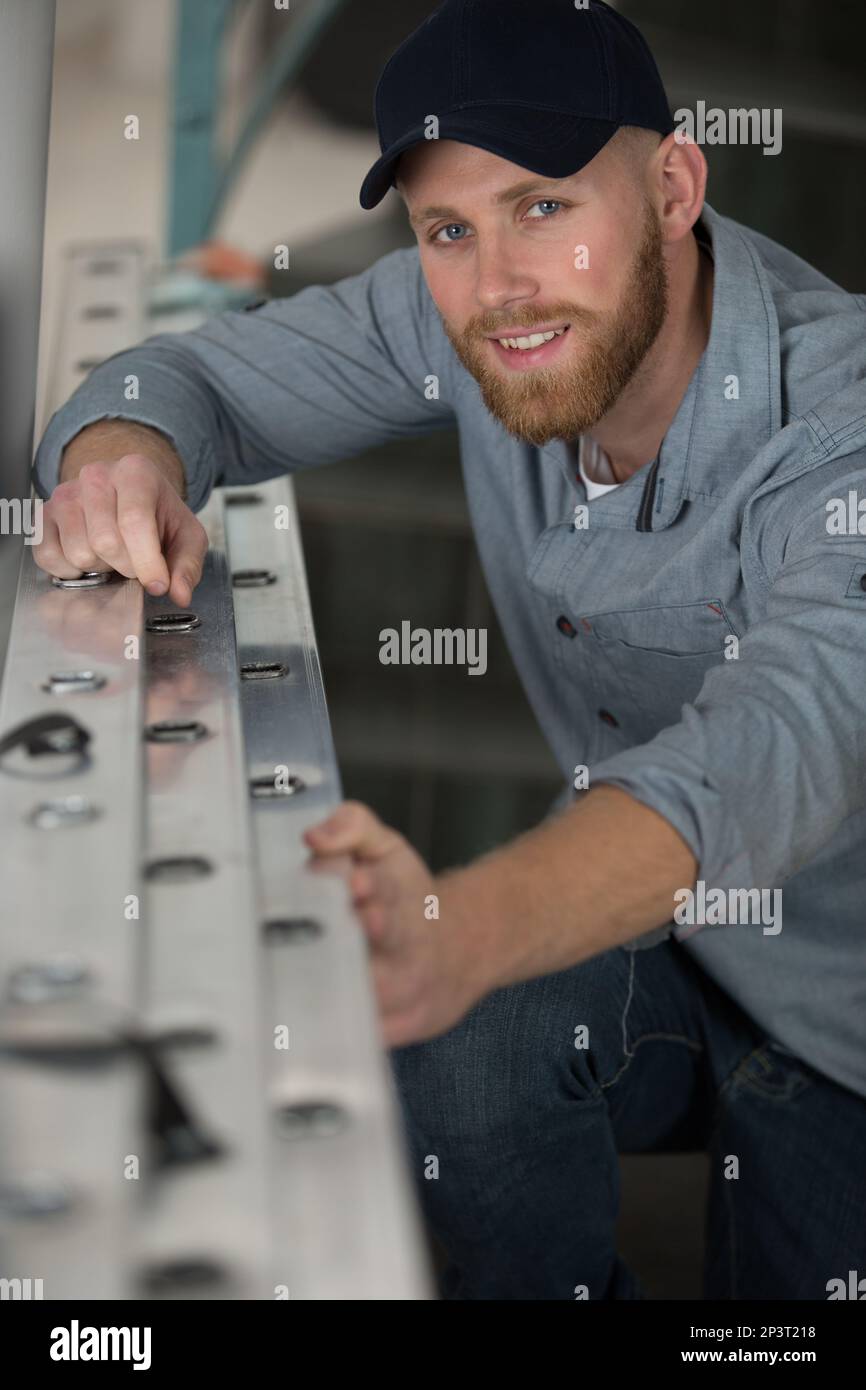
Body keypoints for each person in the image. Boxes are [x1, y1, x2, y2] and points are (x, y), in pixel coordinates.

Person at [31, 0, 866, 1299]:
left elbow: (782, 747)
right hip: (665, 944)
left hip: (848, 1014)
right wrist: (117, 468)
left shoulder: (838, 424)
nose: (497, 285)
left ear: (671, 184)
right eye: (447, 229)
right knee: (459, 1049)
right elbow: (187, 384)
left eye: (543, 207)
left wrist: (459, 929)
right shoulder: (469, 318)